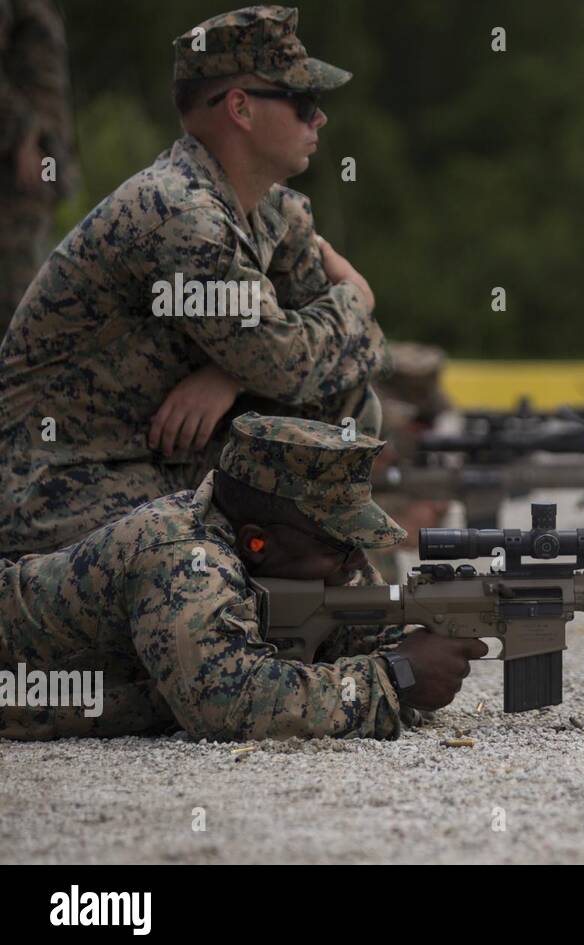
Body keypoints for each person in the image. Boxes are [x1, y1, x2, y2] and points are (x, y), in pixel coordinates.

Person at [0, 5, 387, 560]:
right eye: (304, 103)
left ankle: (318, 600)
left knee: (344, 404)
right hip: (56, 482)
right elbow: (288, 359)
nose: (319, 120)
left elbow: (337, 360)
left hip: (153, 457)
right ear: (241, 109)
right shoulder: (179, 214)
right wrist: (358, 297)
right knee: (198, 544)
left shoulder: (275, 212)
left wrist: (229, 373)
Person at [0, 413, 488, 741]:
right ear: (257, 540)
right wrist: (393, 680)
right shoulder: (181, 556)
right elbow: (228, 703)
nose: (351, 561)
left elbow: (363, 628)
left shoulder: (301, 555)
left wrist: (423, 626)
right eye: (339, 545)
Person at [0, 0, 76, 337]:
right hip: (19, 156)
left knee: (38, 231)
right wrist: (22, 131)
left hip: (46, 154)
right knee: (15, 287)